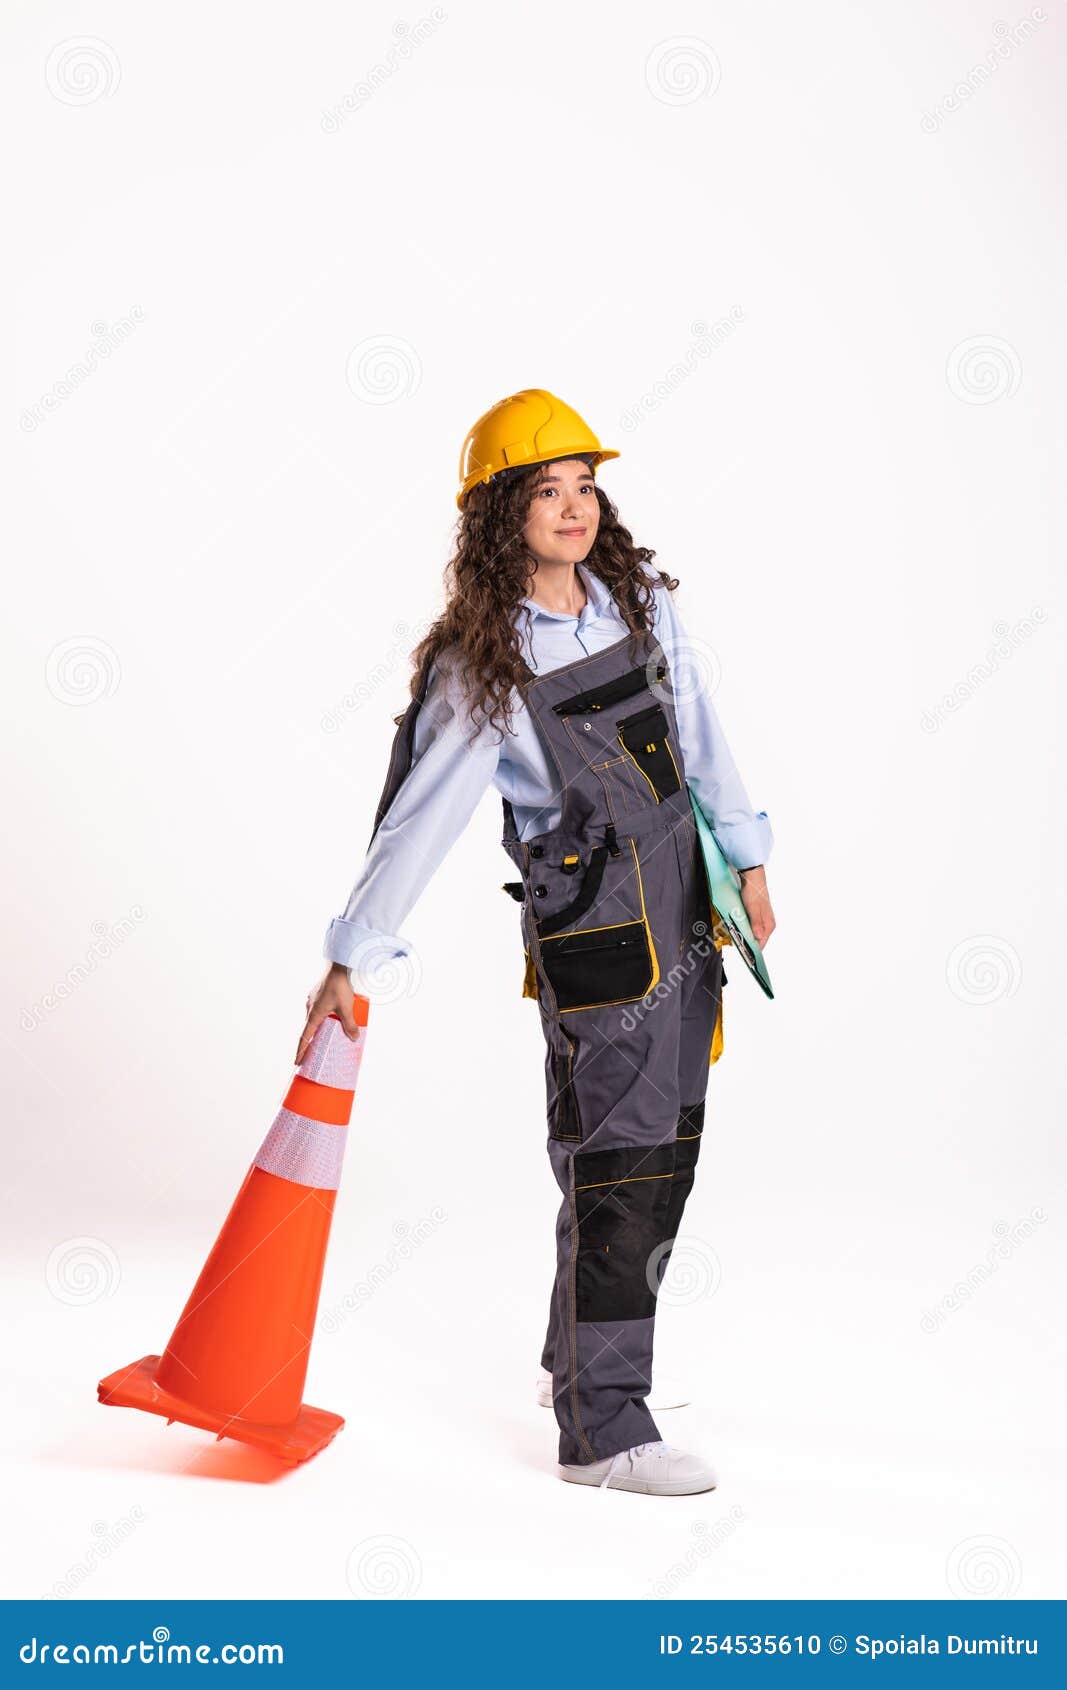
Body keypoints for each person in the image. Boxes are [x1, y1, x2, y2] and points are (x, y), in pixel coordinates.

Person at [297, 389, 776, 1496]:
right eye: (544, 490)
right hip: (600, 942)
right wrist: (351, 954)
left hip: (685, 920)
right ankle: (602, 1428)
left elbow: (702, 735)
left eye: (583, 484)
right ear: (499, 515)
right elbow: (418, 818)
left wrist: (747, 856)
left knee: (671, 1153)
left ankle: (577, 1361)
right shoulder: (488, 662)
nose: (572, 507)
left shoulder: (637, 603)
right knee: (619, 1165)